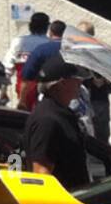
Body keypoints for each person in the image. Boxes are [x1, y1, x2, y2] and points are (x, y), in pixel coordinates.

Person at [23, 53, 90, 190]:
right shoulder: (47, 120)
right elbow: (41, 174)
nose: (80, 83)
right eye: (76, 79)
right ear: (62, 83)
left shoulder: (62, 114)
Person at [75, 21, 111, 144]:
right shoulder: (71, 54)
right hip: (78, 106)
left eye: (83, 35)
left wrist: (103, 81)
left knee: (101, 144)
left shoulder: (102, 56)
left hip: (98, 107)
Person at [19, 20, 66, 110]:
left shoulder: (41, 50)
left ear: (50, 32)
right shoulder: (73, 51)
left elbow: (27, 77)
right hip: (70, 96)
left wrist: (22, 100)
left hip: (47, 99)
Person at [4, 11, 51, 97]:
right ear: (47, 26)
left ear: (30, 25)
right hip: (44, 92)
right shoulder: (50, 44)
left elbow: (7, 68)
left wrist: (4, 91)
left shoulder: (18, 41)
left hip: (22, 90)